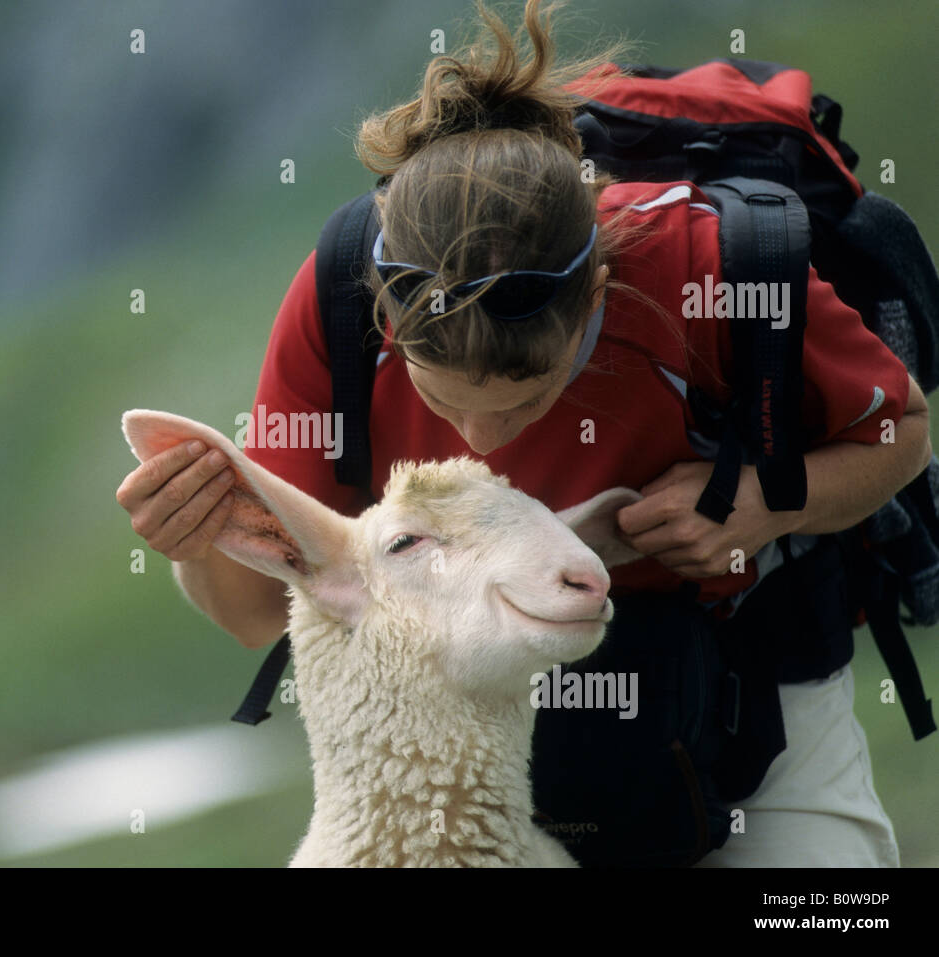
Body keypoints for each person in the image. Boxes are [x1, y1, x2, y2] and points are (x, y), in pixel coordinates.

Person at [115, 0, 930, 866]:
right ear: (388, 313)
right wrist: (196, 539)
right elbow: (254, 615)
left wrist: (761, 505)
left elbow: (902, 431)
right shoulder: (338, 298)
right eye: (442, 397)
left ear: (599, 293)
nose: (479, 436)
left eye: (525, 399)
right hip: (477, 710)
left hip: (750, 684)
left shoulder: (711, 267)